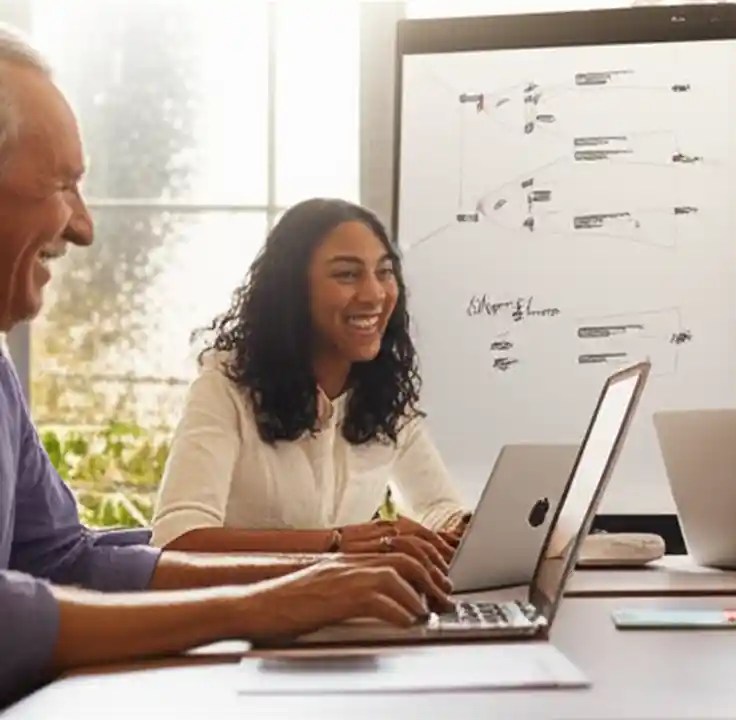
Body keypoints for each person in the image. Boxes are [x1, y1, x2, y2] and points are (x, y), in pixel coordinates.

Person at [0, 26, 451, 707]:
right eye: (61, 184)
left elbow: (65, 559)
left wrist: (309, 577)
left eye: (383, 273)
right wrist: (258, 603)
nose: (85, 227)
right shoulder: (229, 379)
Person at [149, 198, 469, 567]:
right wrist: (338, 544)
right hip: (246, 618)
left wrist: (465, 527)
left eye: (384, 272)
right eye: (347, 275)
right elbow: (178, 538)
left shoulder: (383, 391)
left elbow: (437, 505)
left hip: (350, 616)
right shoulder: (226, 386)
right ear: (293, 290)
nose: (375, 294)